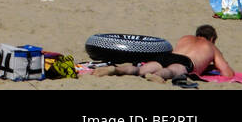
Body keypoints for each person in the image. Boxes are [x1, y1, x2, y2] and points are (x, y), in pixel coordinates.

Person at [87, 26, 233, 83]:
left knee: (139, 70)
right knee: (172, 70)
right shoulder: (211, 47)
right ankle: (159, 76)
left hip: (166, 56)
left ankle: (117, 69)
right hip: (185, 62)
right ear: (212, 39)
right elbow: (227, 73)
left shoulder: (185, 38)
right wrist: (209, 65)